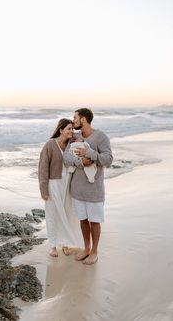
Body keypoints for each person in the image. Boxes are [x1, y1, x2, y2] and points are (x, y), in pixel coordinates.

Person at [63, 108, 113, 265]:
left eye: (75, 118)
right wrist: (79, 162)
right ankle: (86, 249)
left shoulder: (100, 136)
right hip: (77, 189)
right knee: (83, 220)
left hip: (94, 190)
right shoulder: (74, 137)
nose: (73, 121)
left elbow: (108, 159)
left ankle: (94, 252)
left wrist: (90, 154)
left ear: (83, 119)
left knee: (94, 221)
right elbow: (66, 157)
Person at [38, 118, 81, 257]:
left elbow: (80, 137)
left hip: (68, 183)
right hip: (53, 183)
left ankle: (66, 243)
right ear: (60, 130)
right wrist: (43, 190)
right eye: (68, 129)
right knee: (52, 214)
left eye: (72, 129)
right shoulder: (50, 145)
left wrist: (74, 136)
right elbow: (42, 168)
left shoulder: (70, 144)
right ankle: (53, 246)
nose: (71, 131)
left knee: (68, 213)